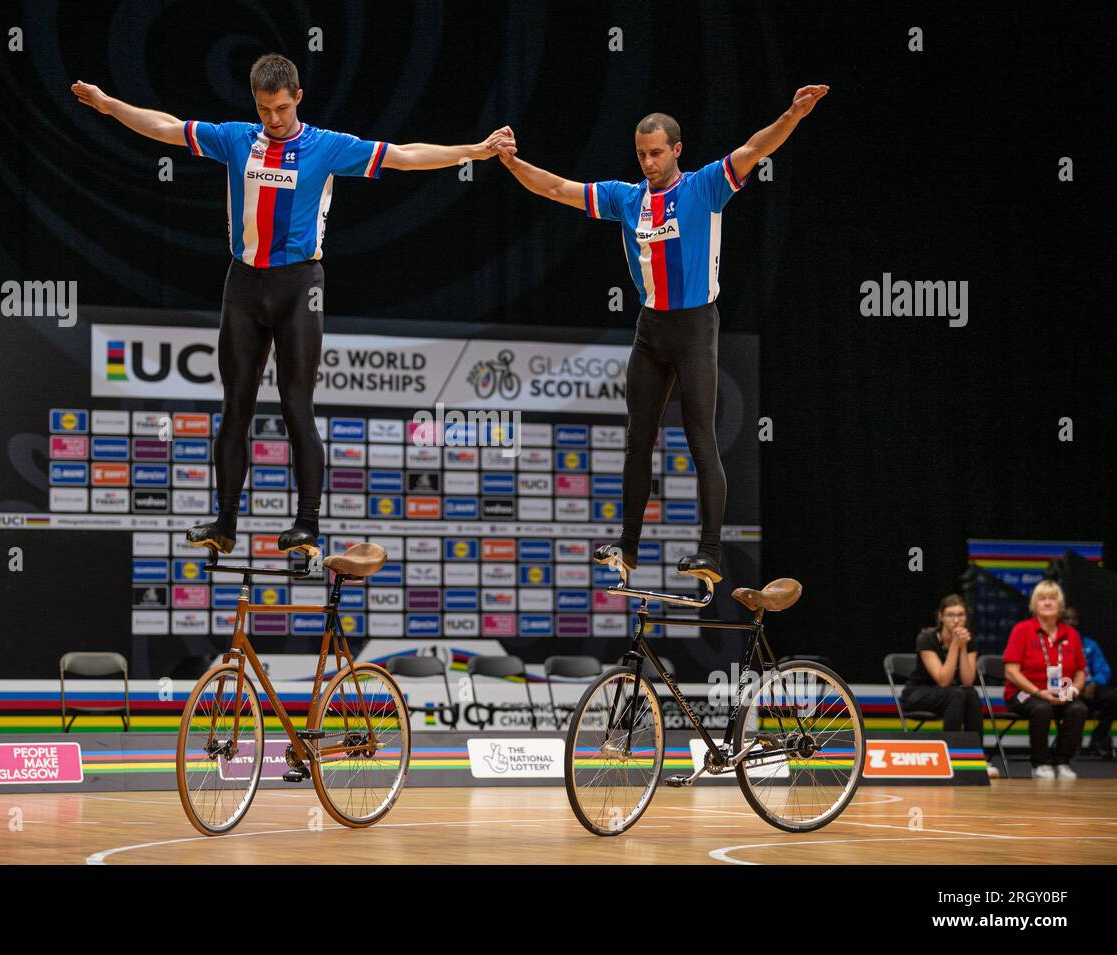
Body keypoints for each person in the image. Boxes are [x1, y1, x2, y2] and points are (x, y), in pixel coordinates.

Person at [73, 54, 513, 555]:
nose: (274, 119)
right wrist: (110, 106)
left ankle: (307, 525)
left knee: (295, 407)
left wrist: (474, 151)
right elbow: (168, 128)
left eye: (281, 108)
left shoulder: (327, 147)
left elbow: (404, 156)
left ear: (298, 98)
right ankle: (225, 522)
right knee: (234, 408)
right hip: (242, 285)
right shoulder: (238, 139)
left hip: (299, 286)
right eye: (264, 109)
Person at [493, 85, 829, 582]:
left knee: (701, 441)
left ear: (676, 150)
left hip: (695, 328)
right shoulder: (625, 199)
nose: (648, 163)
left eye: (656, 153)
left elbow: (757, 147)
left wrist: (793, 114)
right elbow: (558, 189)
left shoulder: (706, 186)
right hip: (650, 330)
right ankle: (628, 548)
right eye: (640, 154)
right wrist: (511, 162)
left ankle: (710, 553)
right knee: (637, 441)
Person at [1003, 580, 1088, 779]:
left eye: (1052, 598)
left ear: (1060, 605)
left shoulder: (1071, 634)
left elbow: (1080, 672)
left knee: (1079, 709)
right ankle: (1040, 763)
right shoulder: (1022, 630)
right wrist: (1038, 692)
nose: (1047, 603)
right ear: (1034, 605)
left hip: (1061, 692)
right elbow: (1011, 672)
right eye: (1042, 599)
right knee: (1041, 708)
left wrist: (1072, 691)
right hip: (1024, 693)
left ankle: (1062, 761)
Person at [901, 594, 983, 734]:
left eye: (961, 615)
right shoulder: (926, 638)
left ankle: (975, 751)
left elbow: (968, 681)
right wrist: (955, 645)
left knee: (971, 694)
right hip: (919, 693)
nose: (956, 620)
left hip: (949, 695)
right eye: (950, 615)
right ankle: (951, 749)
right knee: (955, 694)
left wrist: (962, 647)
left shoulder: (969, 640)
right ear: (941, 617)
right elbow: (943, 680)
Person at [1066, 607, 1117, 759]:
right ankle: (1071, 739)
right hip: (1067, 687)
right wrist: (1076, 687)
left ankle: (1099, 737)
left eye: (1074, 619)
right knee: (1069, 700)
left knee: (1113, 697)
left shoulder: (1089, 645)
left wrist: (1093, 683)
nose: (1071, 622)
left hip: (1091, 688)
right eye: (1067, 618)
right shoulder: (1056, 644)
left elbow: (1104, 671)